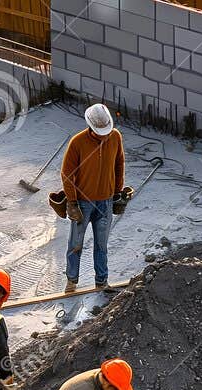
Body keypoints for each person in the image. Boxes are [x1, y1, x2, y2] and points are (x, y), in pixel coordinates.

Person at [61, 104, 125, 294]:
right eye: (101, 132)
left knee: (101, 245)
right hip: (83, 203)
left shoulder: (115, 137)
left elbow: (119, 164)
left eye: (106, 131)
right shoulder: (77, 142)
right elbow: (66, 174)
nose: (104, 135)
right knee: (75, 245)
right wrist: (72, 202)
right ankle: (71, 281)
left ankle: (101, 281)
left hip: (105, 202)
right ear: (91, 126)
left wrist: (117, 192)